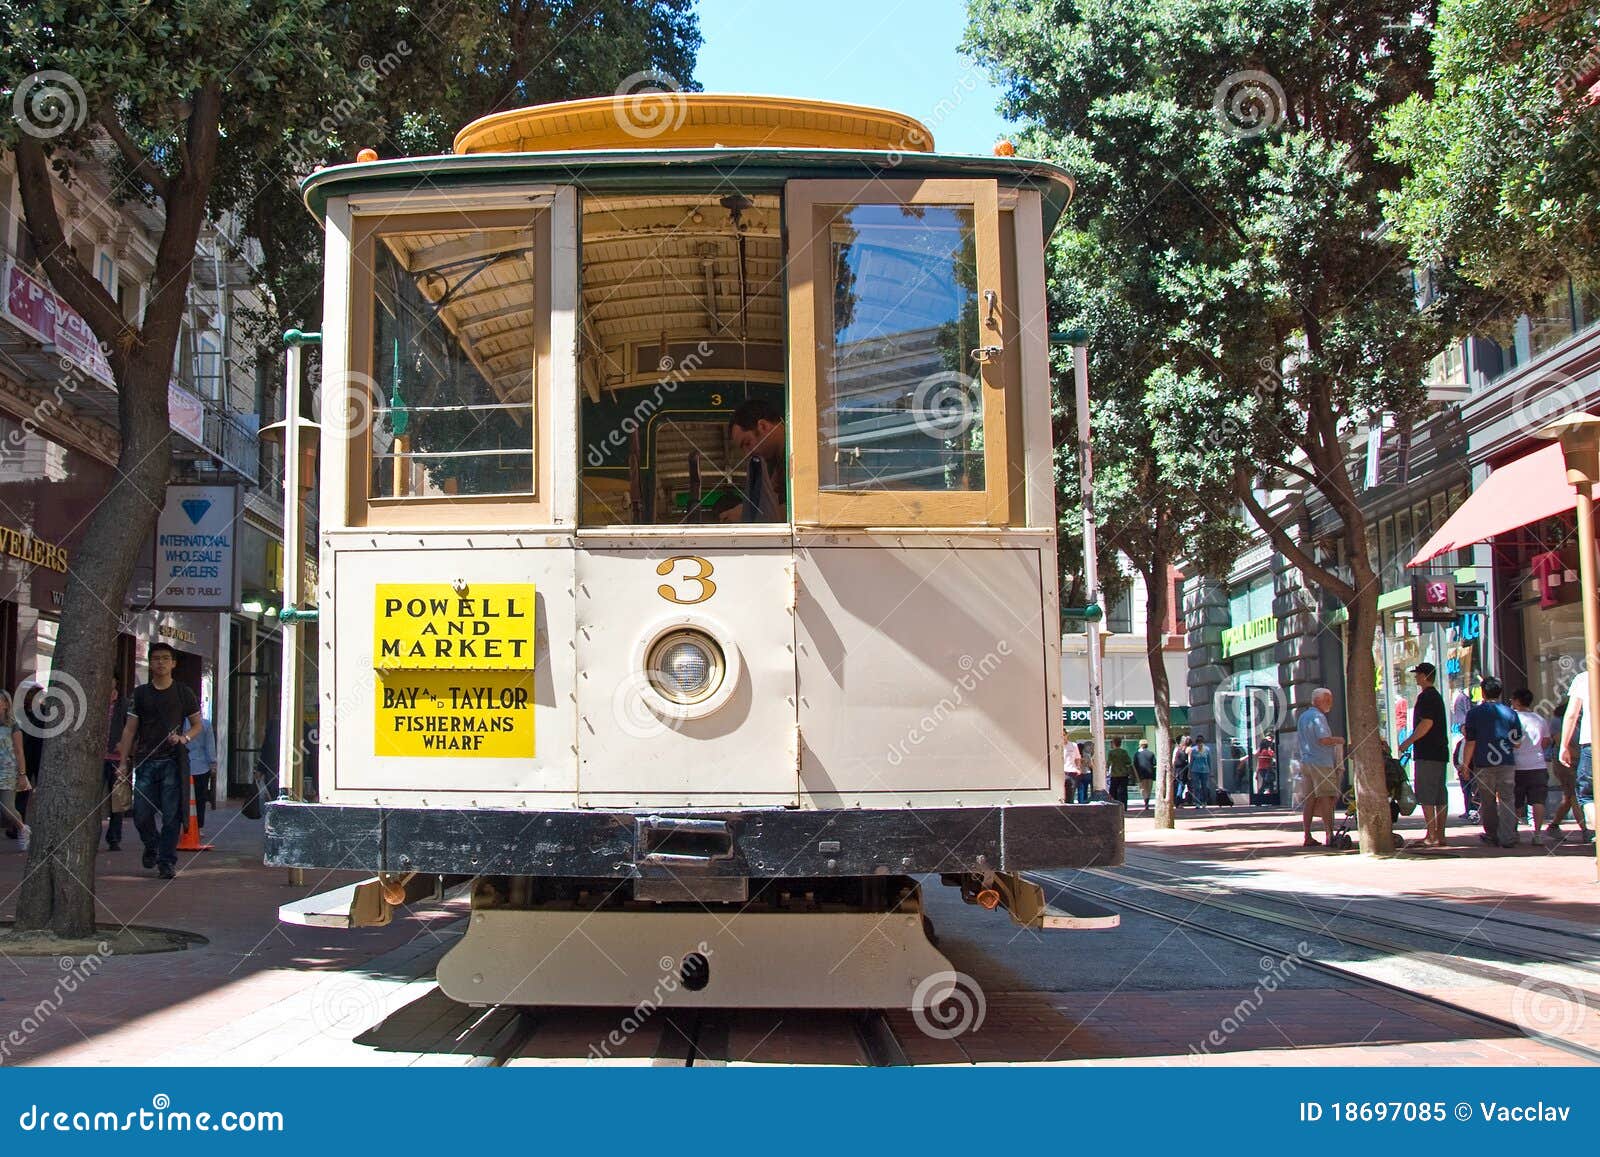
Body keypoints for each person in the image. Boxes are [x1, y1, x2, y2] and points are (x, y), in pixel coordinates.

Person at [116, 643, 203, 879]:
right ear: (150, 663)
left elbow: (198, 725)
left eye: (166, 658)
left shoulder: (183, 693)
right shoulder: (141, 694)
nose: (161, 663)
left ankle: (166, 861)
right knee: (141, 814)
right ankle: (151, 844)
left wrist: (183, 738)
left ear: (173, 663)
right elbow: (129, 730)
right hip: (145, 761)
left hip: (172, 761)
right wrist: (123, 762)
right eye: (156, 659)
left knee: (171, 815)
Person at [1461, 675, 1522, 849]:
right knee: (1507, 799)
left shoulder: (1474, 714)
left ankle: (1492, 835)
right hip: (1506, 762)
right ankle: (1508, 836)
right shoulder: (1510, 713)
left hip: (1483, 763)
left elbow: (1470, 742)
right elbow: (1517, 742)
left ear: (1483, 692)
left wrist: (1466, 765)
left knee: (1487, 800)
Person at [1395, 662, 1449, 847]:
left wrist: (1407, 742)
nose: (1416, 677)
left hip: (1428, 752)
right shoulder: (1436, 696)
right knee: (1440, 794)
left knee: (1427, 794)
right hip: (1440, 752)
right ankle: (1439, 834)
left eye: (1418, 674)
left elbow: (1426, 723)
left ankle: (1431, 835)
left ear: (1425, 676)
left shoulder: (1427, 697)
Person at [1296, 688, 1344, 848]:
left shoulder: (1303, 716)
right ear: (1319, 700)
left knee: (1309, 800)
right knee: (1327, 798)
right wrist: (1339, 740)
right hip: (1321, 763)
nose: (1330, 703)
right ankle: (1329, 834)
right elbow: (1323, 740)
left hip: (1306, 762)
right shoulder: (1318, 717)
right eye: (1327, 700)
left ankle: (1307, 835)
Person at [727, 398, 785, 520]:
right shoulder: (773, 466)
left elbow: (805, 511)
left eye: (747, 443)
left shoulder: (803, 453)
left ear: (763, 426)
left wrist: (746, 514)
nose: (747, 454)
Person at [1547, 696, 1594, 843]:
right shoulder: (1558, 720)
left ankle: (1554, 825)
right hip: (1565, 763)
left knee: (1569, 797)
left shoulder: (1584, 719)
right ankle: (1586, 830)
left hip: (1582, 760)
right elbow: (1560, 741)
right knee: (1574, 794)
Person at [1510, 688, 1548, 844]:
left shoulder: (1513, 719)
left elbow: (1514, 743)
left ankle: (1514, 833)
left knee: (1516, 801)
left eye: (1512, 699)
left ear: (1517, 701)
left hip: (1518, 766)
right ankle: (1537, 834)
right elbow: (1545, 742)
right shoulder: (1540, 719)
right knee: (1537, 800)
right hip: (1538, 764)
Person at [1558, 665, 1597, 813]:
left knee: (1588, 796)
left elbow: (1572, 714)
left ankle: (1597, 831)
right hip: (1589, 743)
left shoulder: (1583, 678)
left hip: (1591, 742)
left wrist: (1564, 745)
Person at [0, 690, 30, 851]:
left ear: (6, 704)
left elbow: (19, 751)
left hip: (8, 771)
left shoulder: (13, 725)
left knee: (7, 808)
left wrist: (22, 774)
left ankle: (22, 829)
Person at [102, 683, 129, 850]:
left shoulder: (124, 705)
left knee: (118, 799)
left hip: (118, 758)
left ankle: (114, 838)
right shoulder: (96, 703)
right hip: (97, 759)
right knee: (94, 797)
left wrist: (125, 747)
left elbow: (132, 728)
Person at [189, 713, 218, 830]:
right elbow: (209, 745)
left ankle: (184, 825)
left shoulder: (182, 723)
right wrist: (213, 764)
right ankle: (198, 826)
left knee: (184, 798)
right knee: (200, 799)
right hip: (202, 766)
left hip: (185, 766)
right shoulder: (205, 724)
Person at [1188, 736, 1214, 810]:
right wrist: (1189, 772)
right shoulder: (1193, 750)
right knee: (1196, 787)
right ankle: (1197, 802)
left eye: (1201, 742)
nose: (1200, 744)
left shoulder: (1207, 750)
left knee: (1204, 786)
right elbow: (1191, 761)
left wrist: (1210, 771)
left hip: (1204, 771)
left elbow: (1209, 761)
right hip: (1195, 770)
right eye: (1198, 742)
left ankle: (1204, 801)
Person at [1106, 737, 1133, 808]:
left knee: (1113, 790)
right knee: (1123, 791)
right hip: (1124, 774)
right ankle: (1124, 805)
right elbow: (1129, 762)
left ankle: (1114, 805)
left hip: (1114, 774)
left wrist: (1106, 769)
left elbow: (1108, 763)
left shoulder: (1111, 752)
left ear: (1114, 743)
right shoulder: (1124, 752)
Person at [1133, 739, 1157, 812]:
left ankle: (1145, 800)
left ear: (1140, 745)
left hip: (1141, 774)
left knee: (1143, 789)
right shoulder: (1151, 753)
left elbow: (1135, 765)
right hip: (1150, 774)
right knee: (1149, 789)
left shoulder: (1137, 754)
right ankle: (1147, 801)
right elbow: (1154, 764)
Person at [1172, 735, 1192, 806]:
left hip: (1178, 769)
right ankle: (1178, 799)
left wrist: (1173, 769)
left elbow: (1173, 760)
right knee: (1181, 784)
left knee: (1178, 784)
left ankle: (1177, 799)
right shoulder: (1187, 749)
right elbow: (1189, 762)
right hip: (1183, 769)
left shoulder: (1177, 749)